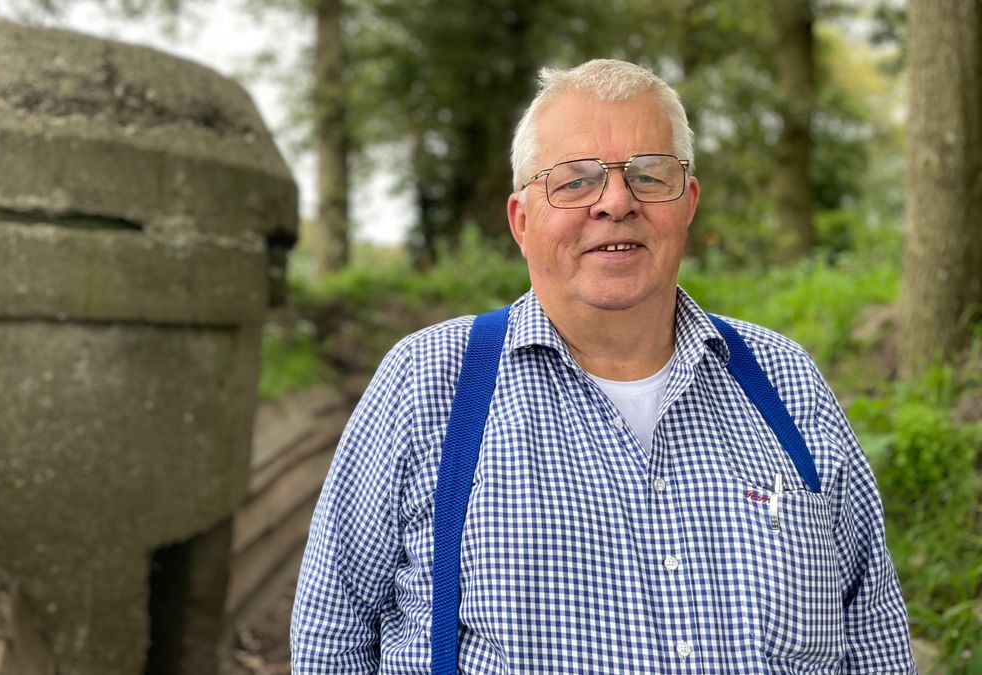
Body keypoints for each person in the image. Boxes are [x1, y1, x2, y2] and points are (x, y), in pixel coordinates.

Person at [290, 59, 915, 673]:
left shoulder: (786, 381)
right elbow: (331, 636)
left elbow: (874, 635)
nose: (616, 201)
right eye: (574, 180)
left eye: (649, 175)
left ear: (688, 203)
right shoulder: (427, 382)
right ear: (521, 220)